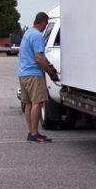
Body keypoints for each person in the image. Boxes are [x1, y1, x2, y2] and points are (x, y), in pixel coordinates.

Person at [18, 12, 59, 143]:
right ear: (43, 22)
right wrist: (51, 73)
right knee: (38, 102)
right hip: (33, 74)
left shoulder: (28, 33)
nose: (46, 26)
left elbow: (39, 55)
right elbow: (39, 57)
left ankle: (31, 132)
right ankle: (35, 134)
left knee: (28, 103)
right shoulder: (37, 36)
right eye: (46, 24)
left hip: (23, 73)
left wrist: (50, 65)